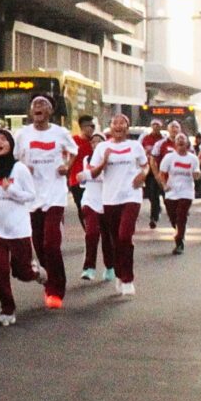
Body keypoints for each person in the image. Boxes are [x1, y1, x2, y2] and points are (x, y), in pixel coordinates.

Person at [14, 95, 72, 309]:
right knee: (38, 244)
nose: (38, 108)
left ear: (50, 111)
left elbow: (73, 153)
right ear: (30, 112)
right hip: (32, 197)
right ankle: (49, 280)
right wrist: (22, 170)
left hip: (55, 194)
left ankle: (56, 289)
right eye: (34, 105)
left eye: (42, 105)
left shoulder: (60, 133)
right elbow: (14, 159)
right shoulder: (22, 134)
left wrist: (67, 165)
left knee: (51, 244)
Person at [0, 127, 42, 326]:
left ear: (11, 145)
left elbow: (31, 196)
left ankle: (37, 273)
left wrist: (12, 190)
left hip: (18, 229)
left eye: (3, 140)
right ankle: (7, 309)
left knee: (22, 272)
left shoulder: (19, 169)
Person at [87, 113, 149, 299]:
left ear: (127, 127)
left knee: (124, 236)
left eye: (123, 123)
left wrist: (143, 175)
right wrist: (105, 161)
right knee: (116, 241)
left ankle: (128, 279)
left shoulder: (135, 146)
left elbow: (145, 165)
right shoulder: (102, 147)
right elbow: (93, 173)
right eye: (115, 123)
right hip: (110, 199)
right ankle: (120, 274)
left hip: (131, 196)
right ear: (110, 127)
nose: (119, 126)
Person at [156, 130, 200, 254]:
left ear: (187, 144)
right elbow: (162, 173)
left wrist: (197, 175)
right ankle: (180, 230)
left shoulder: (192, 158)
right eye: (178, 140)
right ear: (175, 144)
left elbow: (197, 173)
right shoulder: (169, 157)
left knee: (181, 214)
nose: (180, 141)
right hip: (171, 191)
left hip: (186, 191)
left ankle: (179, 241)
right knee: (173, 217)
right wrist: (164, 185)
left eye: (183, 139)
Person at [74, 114, 105, 282]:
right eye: (92, 142)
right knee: (92, 233)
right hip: (90, 200)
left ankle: (110, 266)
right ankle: (89, 267)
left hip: (107, 201)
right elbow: (86, 178)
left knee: (108, 239)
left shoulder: (110, 160)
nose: (95, 144)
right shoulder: (87, 159)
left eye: (98, 141)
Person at [140, 119, 167, 231]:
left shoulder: (163, 139)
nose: (156, 127)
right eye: (154, 125)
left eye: (158, 125)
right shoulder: (145, 138)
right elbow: (140, 152)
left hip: (164, 170)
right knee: (152, 194)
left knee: (167, 194)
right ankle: (153, 218)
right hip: (150, 171)